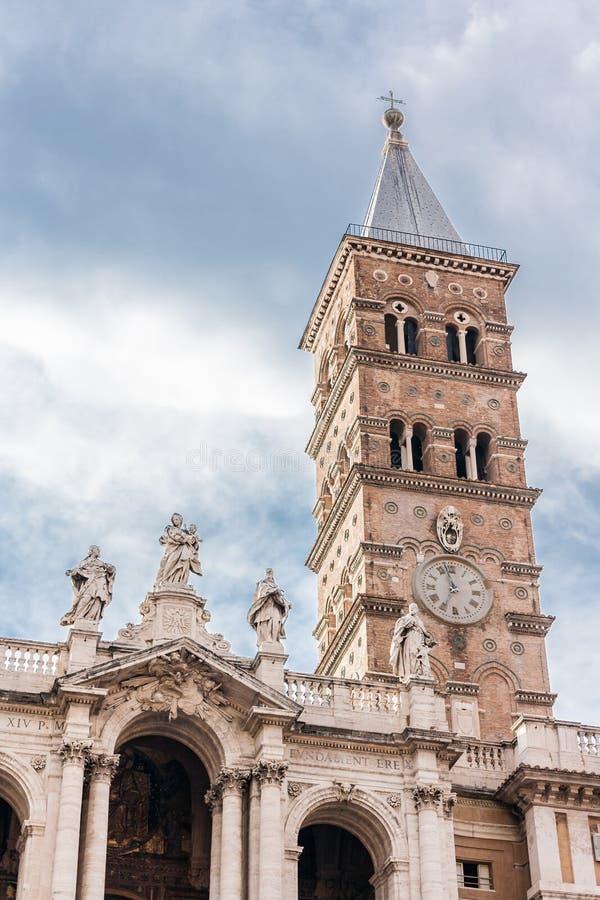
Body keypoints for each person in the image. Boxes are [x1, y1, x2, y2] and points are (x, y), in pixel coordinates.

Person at [60, 545, 115, 626]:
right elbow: (78, 571)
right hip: (90, 583)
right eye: (97, 550)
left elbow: (111, 570)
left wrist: (110, 568)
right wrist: (72, 572)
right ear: (92, 551)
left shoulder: (101, 563)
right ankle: (77, 616)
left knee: (98, 599)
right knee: (86, 598)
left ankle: (91, 618)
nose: (99, 552)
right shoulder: (84, 562)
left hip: (100, 582)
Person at [389, 602, 436, 680]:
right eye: (411, 608)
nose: (412, 609)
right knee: (412, 653)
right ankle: (412, 672)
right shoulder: (405, 618)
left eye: (414, 608)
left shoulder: (419, 621)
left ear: (417, 610)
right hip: (410, 638)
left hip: (419, 639)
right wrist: (406, 626)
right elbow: (399, 629)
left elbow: (424, 633)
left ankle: (419, 672)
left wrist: (428, 641)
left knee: (421, 656)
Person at [247, 568, 291, 646]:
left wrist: (286, 604)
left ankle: (275, 640)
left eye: (271, 573)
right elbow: (262, 594)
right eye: (268, 573)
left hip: (275, 608)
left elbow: (279, 599)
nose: (270, 575)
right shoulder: (263, 583)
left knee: (276, 622)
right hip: (265, 607)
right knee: (265, 622)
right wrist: (274, 591)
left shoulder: (276, 587)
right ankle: (267, 639)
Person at [155, 514, 202, 586]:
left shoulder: (185, 532)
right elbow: (174, 537)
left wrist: (193, 538)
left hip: (184, 551)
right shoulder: (170, 528)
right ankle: (165, 580)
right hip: (172, 550)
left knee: (183, 564)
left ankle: (180, 582)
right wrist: (186, 538)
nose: (175, 521)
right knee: (170, 563)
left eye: (177, 519)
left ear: (180, 520)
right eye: (174, 520)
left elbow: (192, 542)